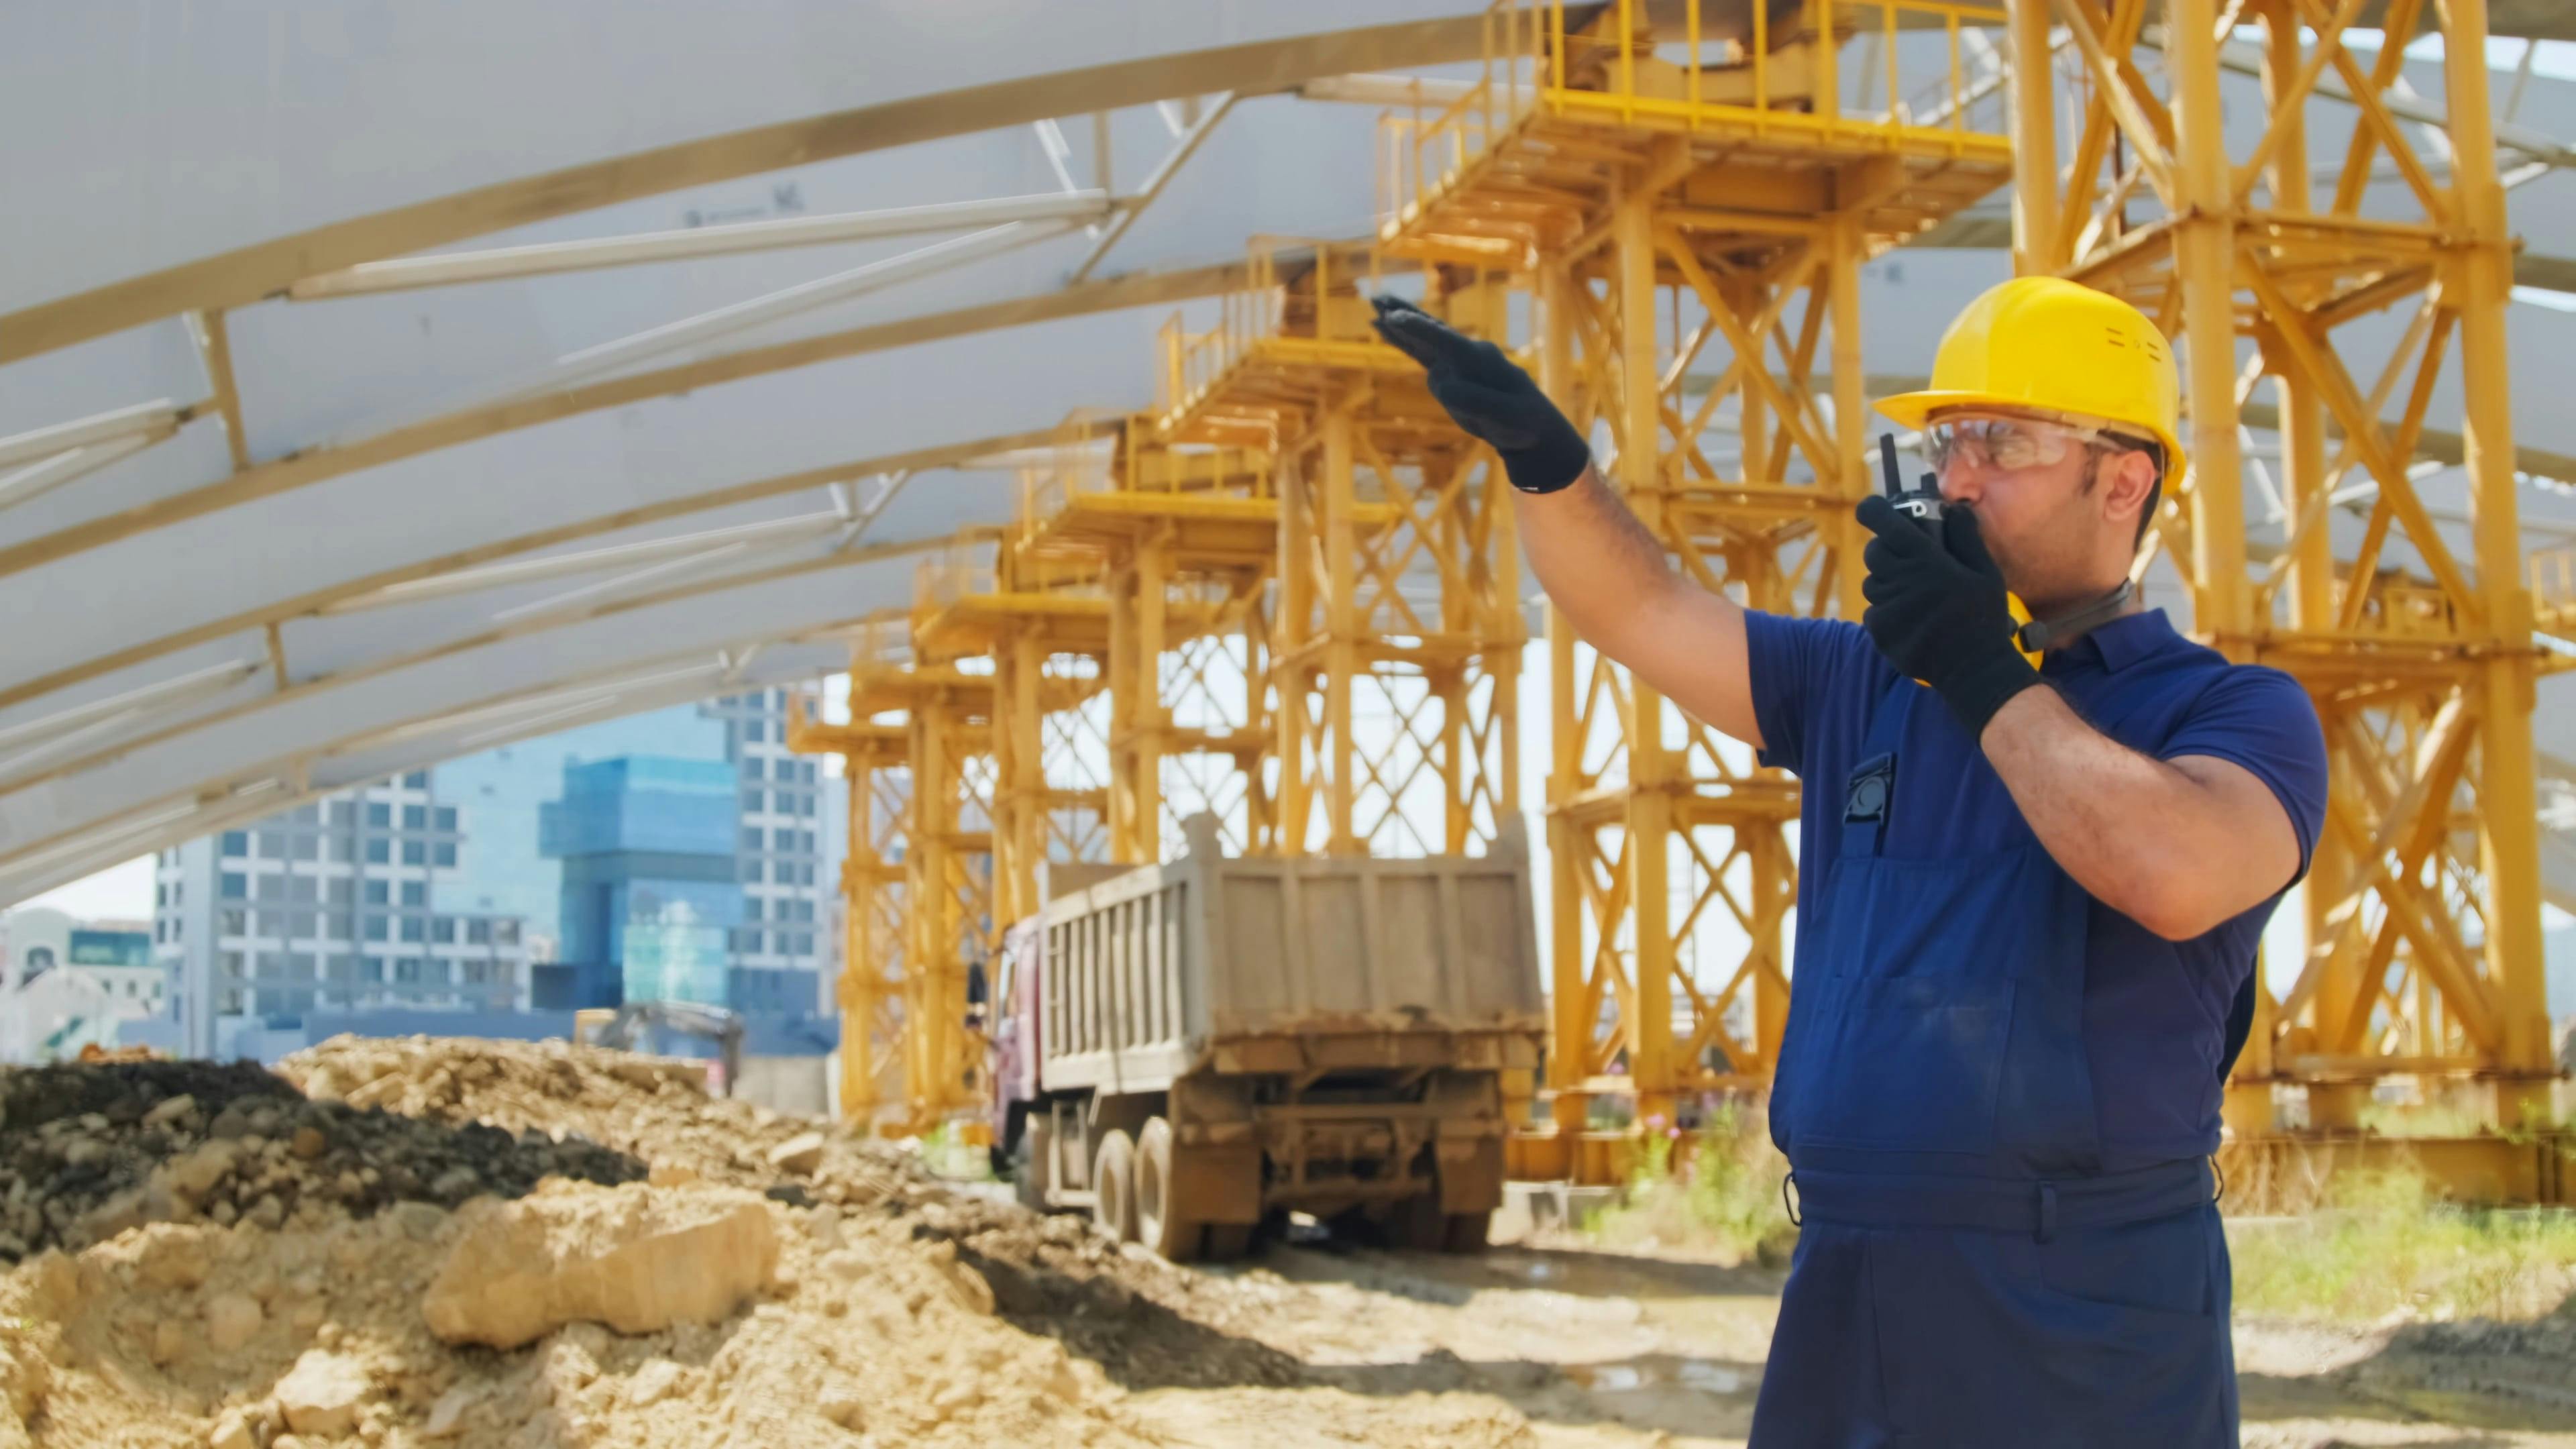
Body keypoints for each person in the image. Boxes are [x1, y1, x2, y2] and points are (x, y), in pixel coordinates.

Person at [1375, 276, 2327, 1447]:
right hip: (1849, 1292)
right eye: (1948, 441)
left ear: (2123, 479)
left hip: (2087, 1308)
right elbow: (1644, 611)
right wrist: (1548, 465)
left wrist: (1985, 674)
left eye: (2004, 442)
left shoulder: (2232, 714)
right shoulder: (1861, 683)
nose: (1958, 477)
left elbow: (2174, 872)